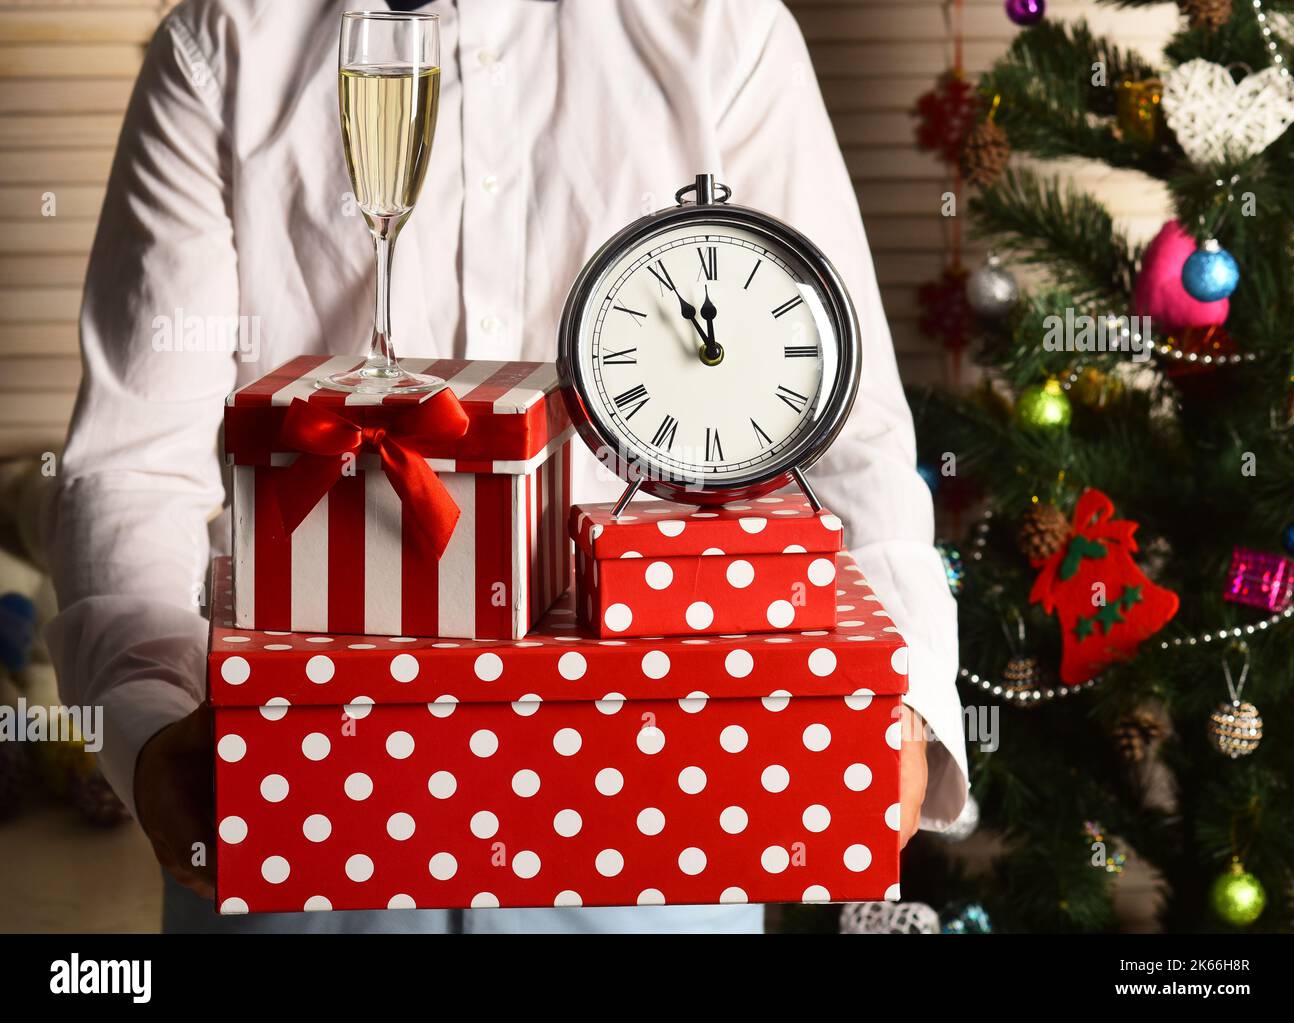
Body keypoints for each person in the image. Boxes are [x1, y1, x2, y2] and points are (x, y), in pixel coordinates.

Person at [46, 0, 967, 935]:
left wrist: (911, 702)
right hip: (298, 825)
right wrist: (150, 728)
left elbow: (838, 421)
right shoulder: (227, 38)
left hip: (658, 818)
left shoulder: (726, 32)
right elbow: (132, 463)